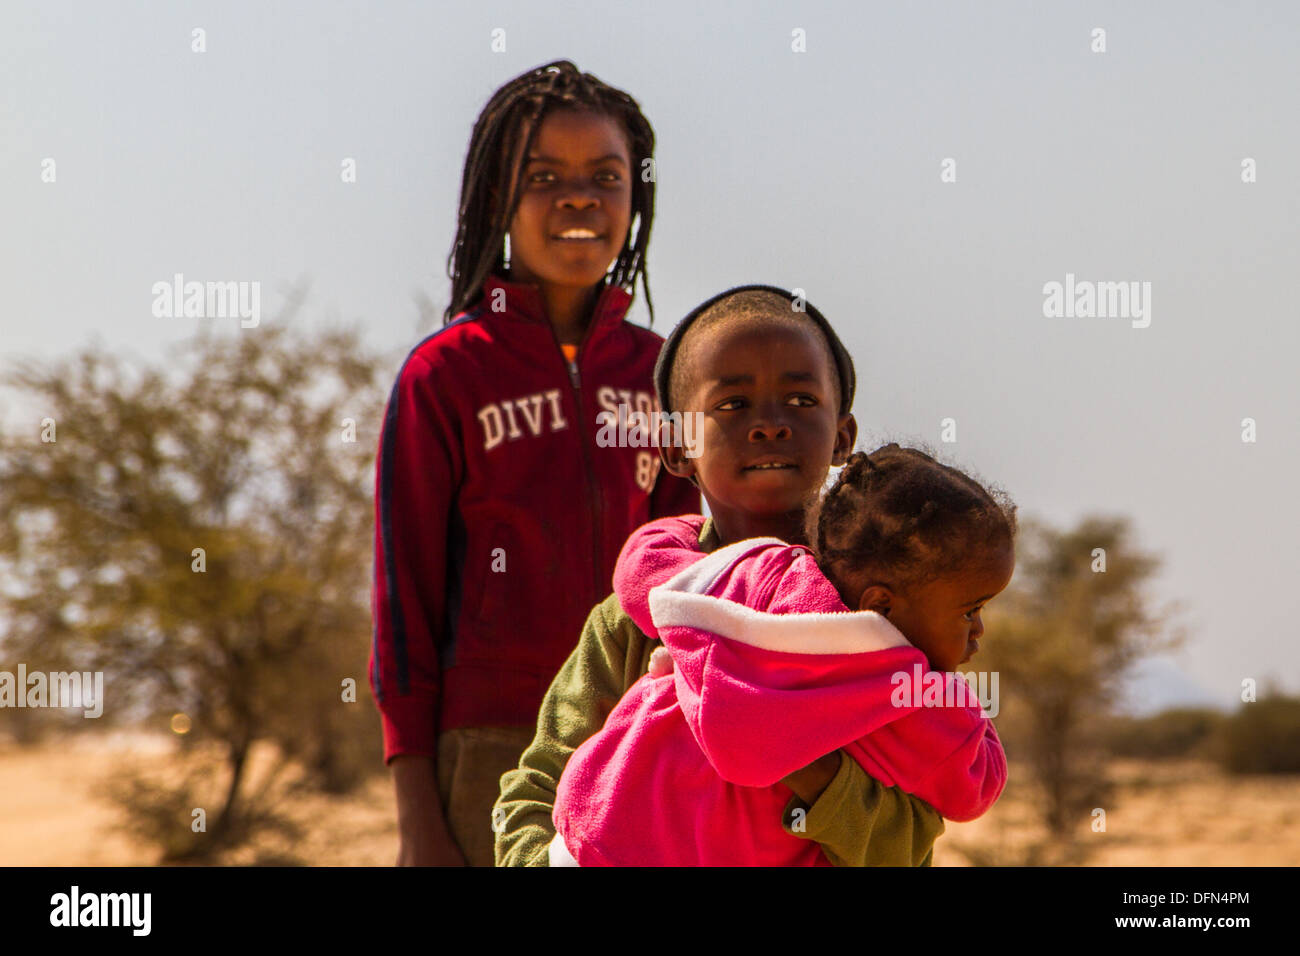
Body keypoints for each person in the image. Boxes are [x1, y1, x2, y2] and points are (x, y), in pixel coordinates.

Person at [369, 61, 699, 867]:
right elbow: (404, 606)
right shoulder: (445, 377)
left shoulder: (671, 376)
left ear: (636, 197)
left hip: (639, 737)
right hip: (488, 749)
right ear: (497, 200)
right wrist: (418, 817)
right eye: (544, 176)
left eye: (606, 177)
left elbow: (702, 573)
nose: (579, 198)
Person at [495, 287, 949, 866]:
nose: (769, 425)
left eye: (801, 399)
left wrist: (802, 767)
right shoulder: (640, 614)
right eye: (732, 405)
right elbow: (537, 787)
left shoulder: (877, 611)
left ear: (842, 438)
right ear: (677, 446)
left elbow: (912, 835)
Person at [552, 444, 1017, 865]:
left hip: (601, 830)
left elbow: (645, 567)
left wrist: (687, 528)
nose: (978, 629)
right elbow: (976, 783)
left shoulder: (759, 573)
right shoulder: (900, 692)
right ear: (879, 605)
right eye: (970, 610)